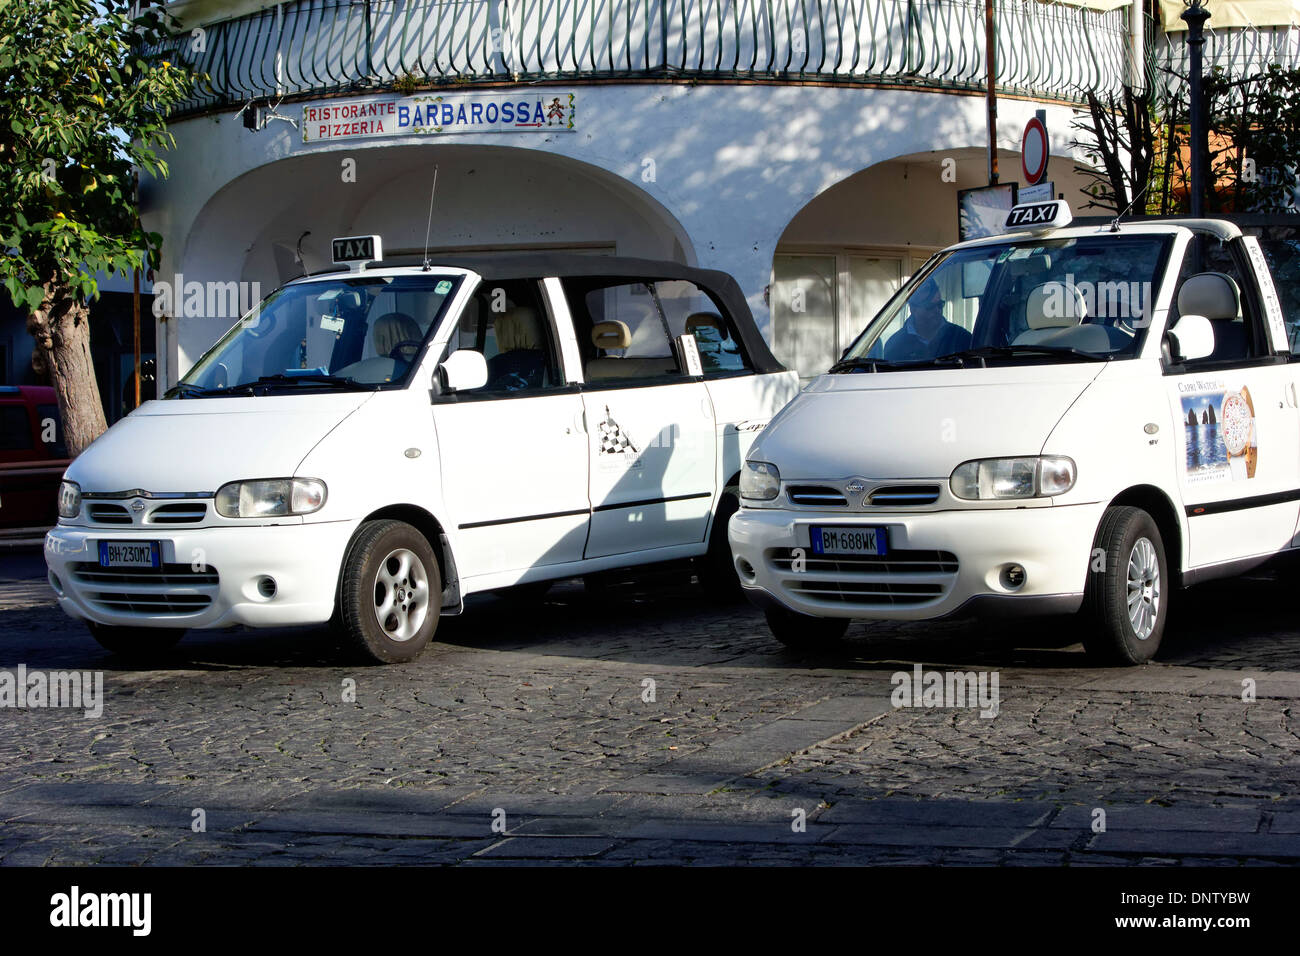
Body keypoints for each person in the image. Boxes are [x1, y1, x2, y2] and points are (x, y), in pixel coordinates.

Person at [883, 279, 971, 361]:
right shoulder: (895, 344)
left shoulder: (961, 337)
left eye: (940, 305)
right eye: (930, 307)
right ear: (913, 309)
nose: (937, 310)